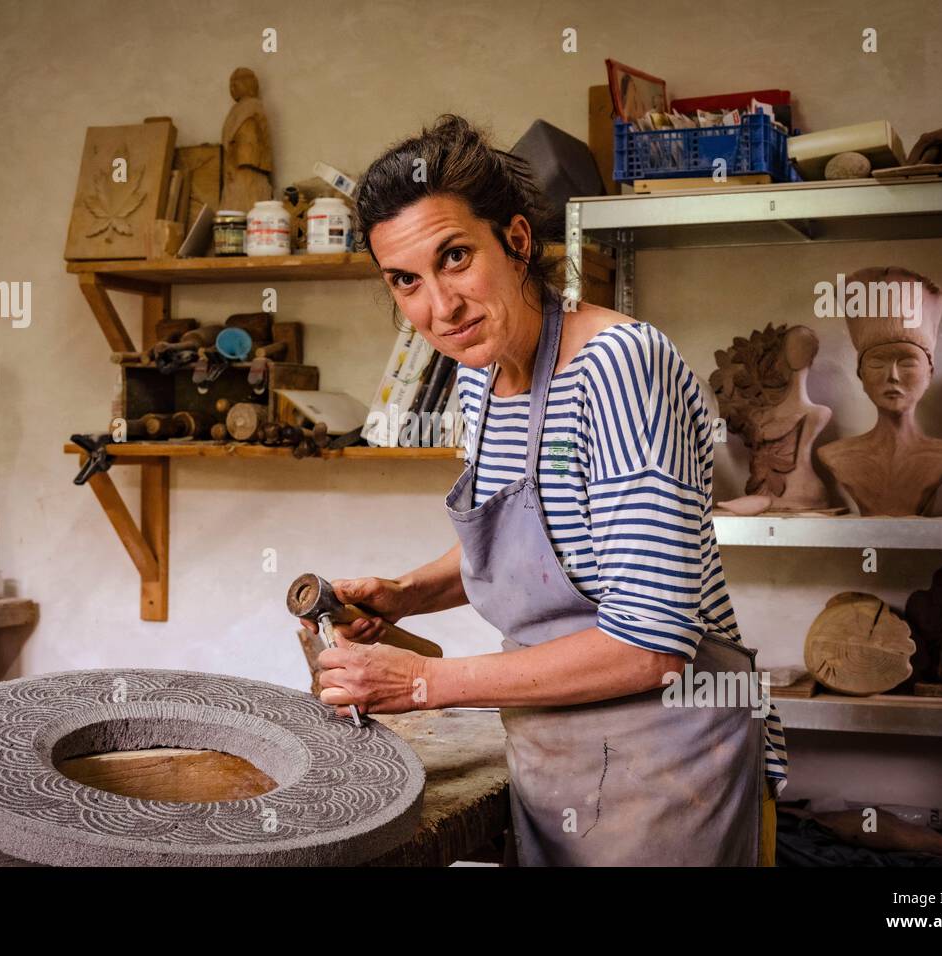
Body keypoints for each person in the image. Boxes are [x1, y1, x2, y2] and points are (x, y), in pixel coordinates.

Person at [314, 114, 786, 865]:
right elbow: (539, 545)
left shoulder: (621, 366)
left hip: (667, 762)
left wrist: (426, 683)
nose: (440, 308)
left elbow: (652, 645)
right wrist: (406, 593)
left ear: (518, 241)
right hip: (551, 752)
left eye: (456, 258)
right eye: (406, 281)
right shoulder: (479, 376)